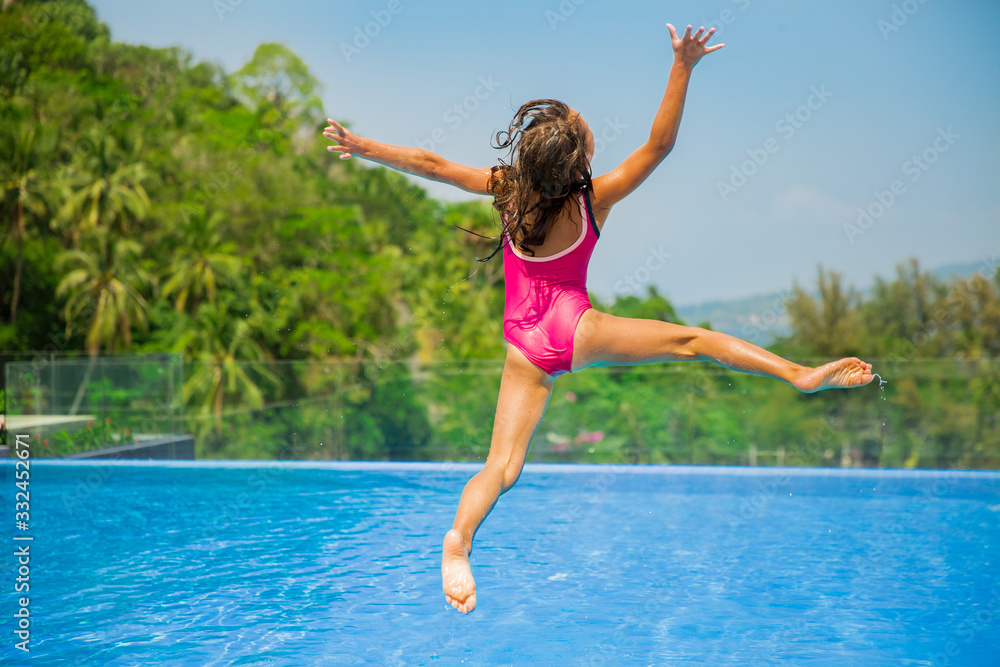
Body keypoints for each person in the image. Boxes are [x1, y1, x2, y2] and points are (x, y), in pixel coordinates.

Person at [323, 24, 874, 615]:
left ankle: (458, 540)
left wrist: (365, 147)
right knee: (693, 340)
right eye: (585, 129)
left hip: (522, 344)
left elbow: (430, 164)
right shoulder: (595, 197)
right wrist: (682, 67)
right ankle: (798, 376)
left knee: (500, 466)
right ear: (580, 159)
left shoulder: (506, 189)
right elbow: (658, 147)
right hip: (574, 330)